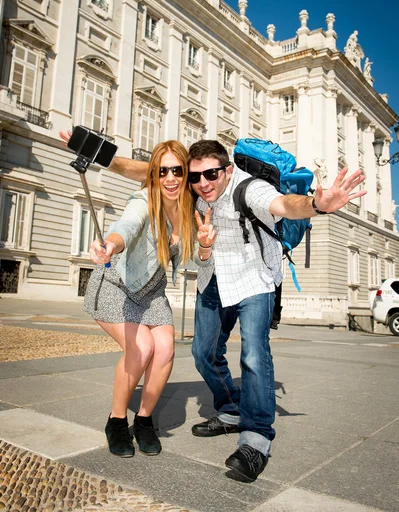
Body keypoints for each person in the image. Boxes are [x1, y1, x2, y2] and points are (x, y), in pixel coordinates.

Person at [60, 132, 366, 480]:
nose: (200, 183)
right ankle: (221, 410)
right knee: (202, 353)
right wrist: (99, 158)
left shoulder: (248, 188)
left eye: (210, 174)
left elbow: (283, 205)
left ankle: (255, 439)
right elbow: (140, 192)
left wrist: (316, 205)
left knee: (247, 354)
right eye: (193, 176)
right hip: (202, 280)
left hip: (254, 280)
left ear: (226, 169)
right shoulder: (178, 190)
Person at [83, 139, 216, 459]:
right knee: (141, 348)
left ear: (186, 173)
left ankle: (143, 420)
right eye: (162, 171)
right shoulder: (144, 199)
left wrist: (205, 245)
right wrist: (110, 245)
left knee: (166, 350)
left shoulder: (191, 208)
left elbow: (198, 261)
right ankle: (116, 421)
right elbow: (126, 225)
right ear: (154, 174)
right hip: (115, 286)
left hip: (152, 292)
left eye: (177, 170)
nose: (170, 178)